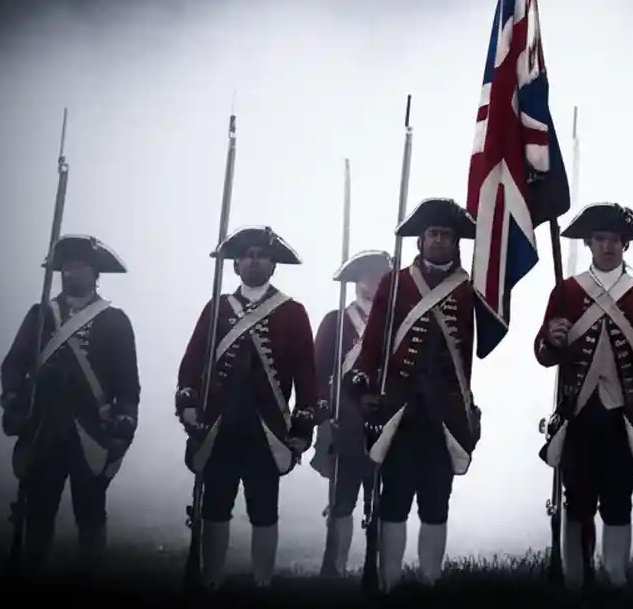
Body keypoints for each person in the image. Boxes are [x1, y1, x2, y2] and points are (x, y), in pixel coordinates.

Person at [534, 202, 633, 590]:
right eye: (600, 239)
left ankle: (615, 575)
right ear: (590, 243)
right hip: (578, 414)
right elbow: (544, 355)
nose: (607, 247)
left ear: (625, 245)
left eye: (614, 240)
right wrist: (552, 338)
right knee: (576, 498)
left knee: (617, 498)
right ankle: (577, 577)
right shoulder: (566, 291)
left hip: (624, 416)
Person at [347, 198, 480, 590]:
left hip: (446, 413)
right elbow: (373, 343)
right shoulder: (395, 283)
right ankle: (388, 581)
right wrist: (364, 386)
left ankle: (430, 581)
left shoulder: (468, 287)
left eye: (446, 234)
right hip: (399, 410)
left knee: (437, 501)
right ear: (420, 240)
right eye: (432, 233)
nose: (439, 240)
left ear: (457, 242)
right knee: (394, 499)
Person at [175, 226, 318, 590]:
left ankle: (263, 583)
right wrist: (188, 404)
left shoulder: (293, 312)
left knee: (264, 509)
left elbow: (305, 374)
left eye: (262, 255)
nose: (255, 261)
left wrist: (302, 428)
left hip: (266, 428)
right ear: (236, 265)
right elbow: (192, 362)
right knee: (215, 505)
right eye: (247, 256)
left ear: (273, 266)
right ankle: (210, 581)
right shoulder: (217, 307)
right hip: (219, 424)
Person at [0, 235, 139, 576]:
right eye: (67, 267)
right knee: (39, 509)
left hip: (92, 432)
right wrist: (15, 398)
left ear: (95, 275)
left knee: (90, 510)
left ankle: (90, 579)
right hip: (45, 427)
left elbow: (127, 383)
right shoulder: (41, 315)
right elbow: (14, 365)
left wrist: (124, 420)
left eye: (80, 267)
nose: (71, 274)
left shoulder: (115, 321)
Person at [313, 250, 393, 577]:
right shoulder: (336, 322)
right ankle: (335, 567)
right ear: (356, 281)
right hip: (344, 423)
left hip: (385, 422)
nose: (374, 282)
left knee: (383, 501)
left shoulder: (394, 322)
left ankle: (379, 568)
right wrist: (325, 412)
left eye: (380, 276)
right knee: (342, 501)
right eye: (368, 275)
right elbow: (317, 374)